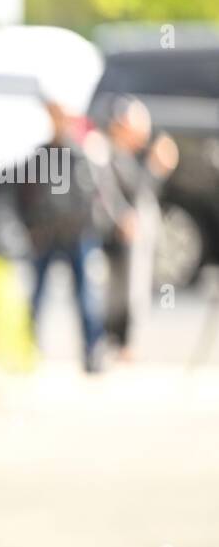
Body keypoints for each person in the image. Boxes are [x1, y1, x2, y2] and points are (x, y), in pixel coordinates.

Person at [17, 97, 127, 374]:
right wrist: (30, 228)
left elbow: (101, 194)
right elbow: (25, 198)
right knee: (37, 297)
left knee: (87, 298)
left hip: (78, 235)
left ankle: (93, 354)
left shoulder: (82, 155)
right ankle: (26, 352)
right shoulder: (39, 156)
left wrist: (114, 221)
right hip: (45, 236)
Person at [101, 95, 177, 361]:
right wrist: (120, 217)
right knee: (118, 288)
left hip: (135, 230)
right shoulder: (108, 153)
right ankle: (116, 340)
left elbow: (143, 191)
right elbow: (115, 192)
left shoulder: (134, 156)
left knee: (134, 286)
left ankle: (125, 341)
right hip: (117, 230)